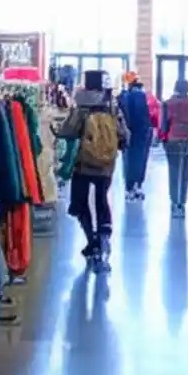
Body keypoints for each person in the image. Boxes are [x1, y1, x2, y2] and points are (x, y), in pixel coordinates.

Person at [58, 78, 129, 262]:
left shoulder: (80, 106)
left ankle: (92, 239)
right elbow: (123, 134)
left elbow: (68, 131)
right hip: (106, 163)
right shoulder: (112, 106)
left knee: (80, 201)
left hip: (83, 162)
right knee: (102, 198)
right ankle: (104, 236)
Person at [161, 79, 188, 217]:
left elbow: (163, 126)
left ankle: (174, 202)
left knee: (174, 172)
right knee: (185, 172)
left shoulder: (167, 104)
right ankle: (182, 203)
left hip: (173, 140)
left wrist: (163, 139)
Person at [117, 72, 153, 201]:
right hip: (142, 133)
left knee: (128, 160)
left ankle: (129, 187)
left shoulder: (122, 96)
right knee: (141, 160)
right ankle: (138, 185)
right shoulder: (143, 96)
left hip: (128, 133)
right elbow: (147, 116)